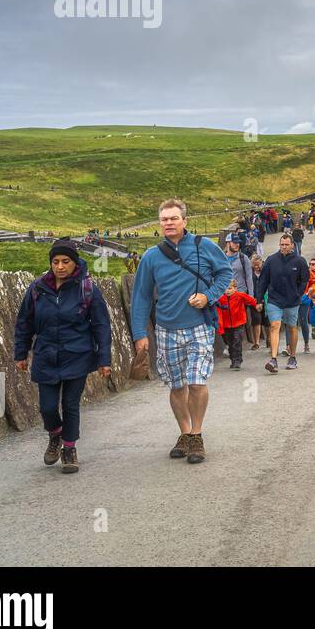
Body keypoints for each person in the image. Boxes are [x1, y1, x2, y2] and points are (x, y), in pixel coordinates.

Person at [129, 199, 233, 465]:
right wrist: (140, 332)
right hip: (166, 329)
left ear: (184, 221)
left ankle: (197, 435)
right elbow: (141, 296)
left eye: (174, 218)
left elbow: (224, 274)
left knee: (197, 381)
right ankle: (184, 433)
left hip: (199, 325)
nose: (169, 223)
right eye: (164, 219)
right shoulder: (152, 257)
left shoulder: (204, 247)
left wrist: (208, 296)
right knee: (177, 385)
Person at [13, 240, 113, 474]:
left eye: (65, 261)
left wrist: (104, 360)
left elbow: (101, 325)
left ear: (74, 262)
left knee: (70, 404)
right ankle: (55, 434)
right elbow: (24, 322)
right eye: (55, 262)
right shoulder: (37, 288)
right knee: (47, 407)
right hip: (45, 355)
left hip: (77, 354)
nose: (60, 266)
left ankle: (69, 449)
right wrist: (21, 353)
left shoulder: (87, 288)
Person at [258, 233, 310, 372]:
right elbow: (263, 280)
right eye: (282, 244)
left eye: (287, 244)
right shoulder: (271, 260)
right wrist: (259, 299)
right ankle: (273, 359)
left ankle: (292, 357)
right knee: (274, 325)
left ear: (292, 245)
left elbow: (305, 280)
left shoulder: (299, 261)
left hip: (292, 301)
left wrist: (297, 294)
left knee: (292, 327)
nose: (284, 247)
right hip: (274, 299)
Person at [215, 279, 257, 370]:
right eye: (225, 289)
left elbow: (251, 300)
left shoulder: (240, 295)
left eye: (230, 288)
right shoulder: (221, 299)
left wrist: (256, 305)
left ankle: (237, 360)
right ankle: (233, 360)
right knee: (230, 343)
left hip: (239, 324)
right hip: (227, 326)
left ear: (235, 288)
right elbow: (218, 311)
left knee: (237, 341)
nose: (227, 291)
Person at [249, 254, 266, 348]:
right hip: (254, 299)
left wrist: (264, 299)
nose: (256, 267)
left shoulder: (266, 270)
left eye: (258, 265)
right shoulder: (249, 272)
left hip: (266, 298)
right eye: (254, 265)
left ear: (261, 262)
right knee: (256, 320)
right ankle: (256, 342)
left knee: (267, 321)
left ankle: (269, 341)